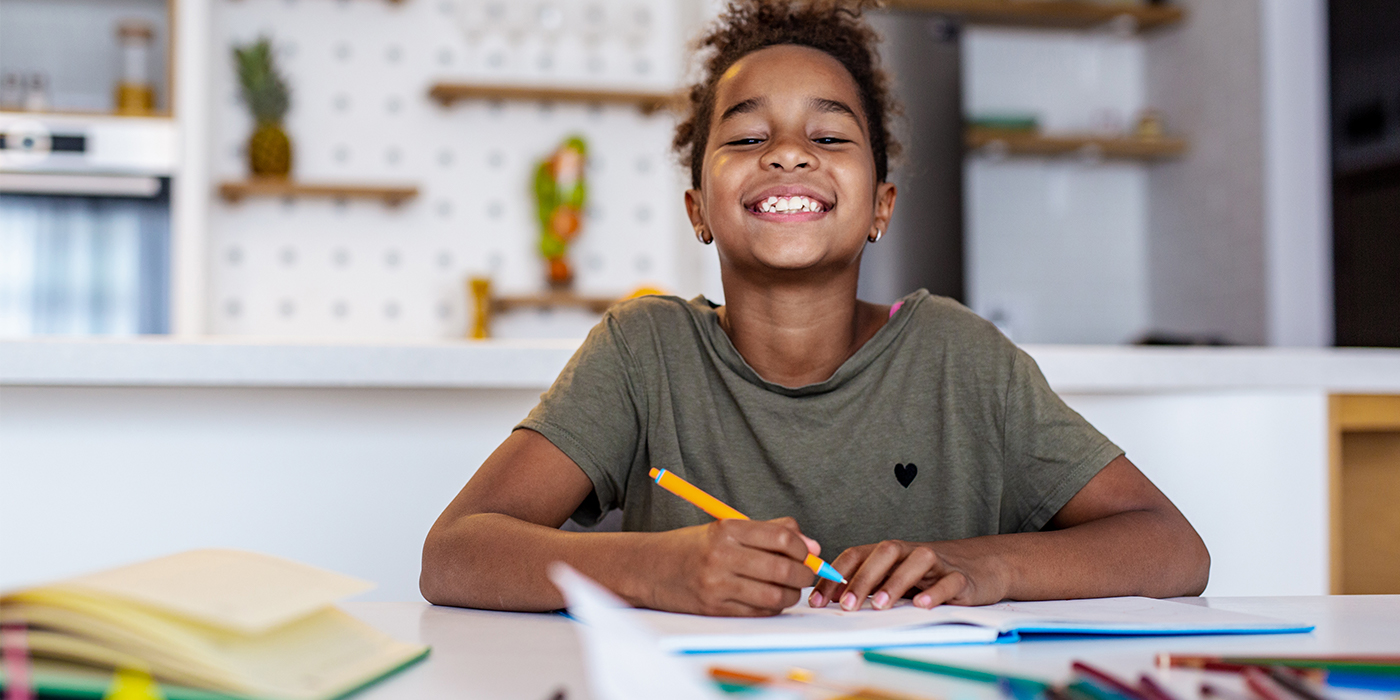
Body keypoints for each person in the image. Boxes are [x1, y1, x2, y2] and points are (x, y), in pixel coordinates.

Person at [421, 0, 1209, 617]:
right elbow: (453, 553)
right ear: (698, 211)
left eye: (830, 138)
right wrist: (657, 569)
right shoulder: (643, 351)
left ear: (881, 206)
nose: (789, 152)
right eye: (747, 136)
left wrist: (982, 566)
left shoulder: (958, 356)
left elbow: (1172, 548)